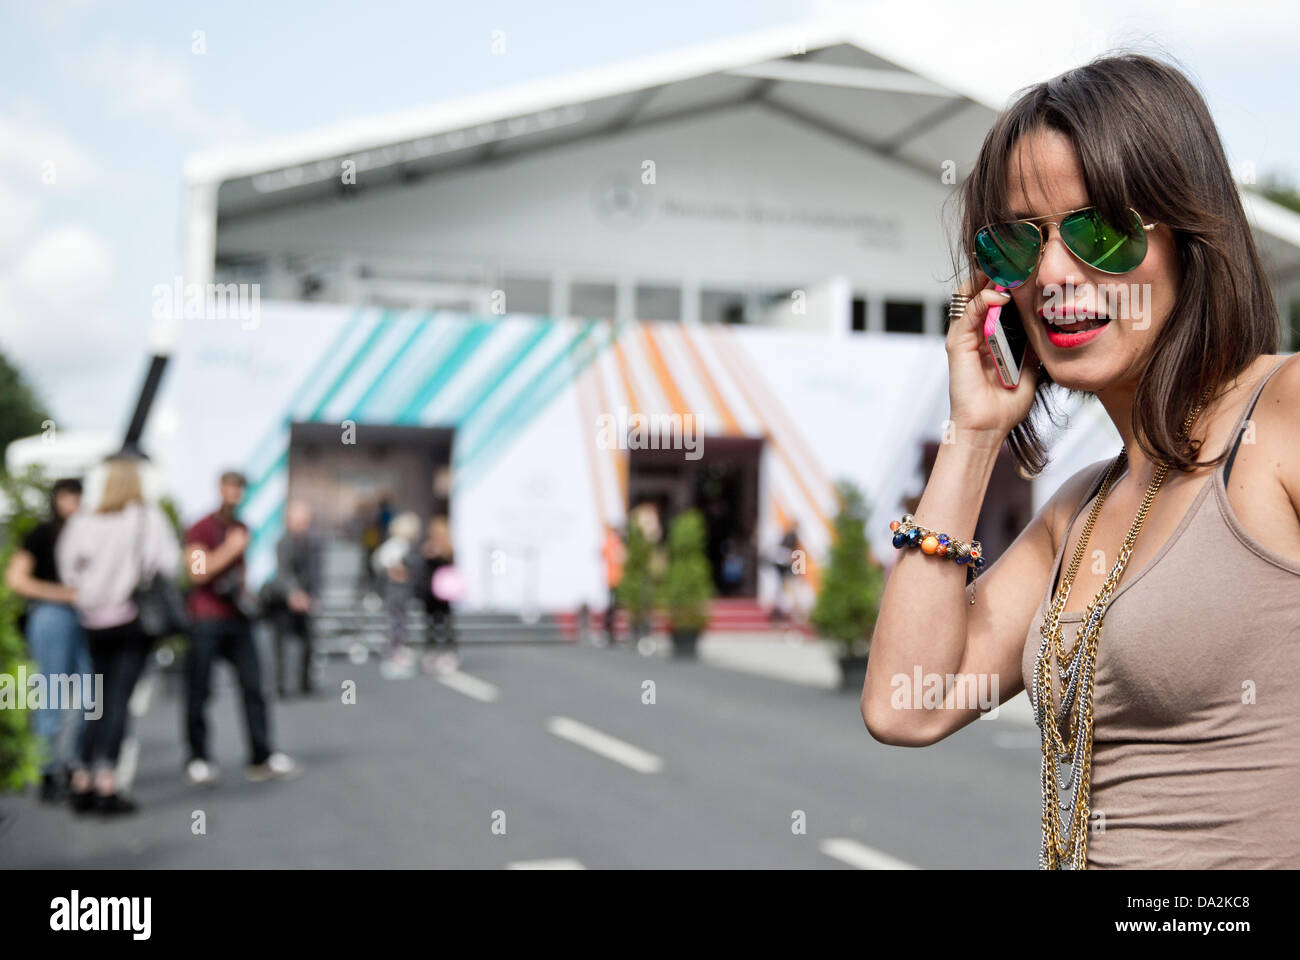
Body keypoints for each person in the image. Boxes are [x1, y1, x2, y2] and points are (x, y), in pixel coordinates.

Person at [861, 54, 1300, 869]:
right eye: (1016, 244)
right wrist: (973, 434)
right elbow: (903, 707)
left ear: (1188, 236)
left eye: (1101, 229)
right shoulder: (1080, 511)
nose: (1056, 274)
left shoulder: (1281, 413)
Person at [56, 459, 179, 814]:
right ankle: (106, 780)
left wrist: (91, 589)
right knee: (118, 700)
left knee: (94, 699)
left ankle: (81, 775)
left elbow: (68, 569)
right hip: (130, 619)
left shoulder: (85, 519)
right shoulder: (147, 517)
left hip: (92, 621)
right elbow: (169, 563)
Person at [183, 471, 299, 786]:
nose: (234, 494)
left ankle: (261, 756)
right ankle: (198, 758)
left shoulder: (242, 527)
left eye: (239, 489)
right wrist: (230, 551)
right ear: (220, 489)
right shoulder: (200, 527)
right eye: (230, 488)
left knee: (254, 686)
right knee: (199, 689)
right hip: (205, 618)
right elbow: (197, 572)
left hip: (237, 618)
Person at [5, 478, 90, 803]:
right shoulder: (42, 534)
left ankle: (74, 762)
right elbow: (17, 579)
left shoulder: (89, 532)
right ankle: (47, 768)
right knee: (51, 692)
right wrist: (61, 594)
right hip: (53, 613)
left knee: (88, 693)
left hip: (87, 614)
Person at [266, 500, 321, 697]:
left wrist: (312, 596)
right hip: (283, 599)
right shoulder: (283, 542)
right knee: (280, 643)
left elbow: (315, 572)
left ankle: (305, 683)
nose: (303, 526)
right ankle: (281, 686)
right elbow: (283, 572)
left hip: (305, 597)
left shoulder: (313, 542)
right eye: (299, 522)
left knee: (308, 642)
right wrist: (294, 594)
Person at [372, 511, 422, 678]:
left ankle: (396, 653)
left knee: (399, 623)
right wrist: (397, 572)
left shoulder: (399, 545)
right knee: (396, 624)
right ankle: (393, 654)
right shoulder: (398, 545)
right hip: (395, 592)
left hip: (399, 592)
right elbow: (385, 564)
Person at [419, 515, 458, 673]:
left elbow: (449, 565)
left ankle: (448, 654)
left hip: (443, 591)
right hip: (429, 592)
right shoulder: (428, 547)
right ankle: (432, 654)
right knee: (430, 625)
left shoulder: (448, 548)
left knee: (446, 624)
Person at [600, 524, 626, 645]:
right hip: (612, 578)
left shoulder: (617, 543)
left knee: (615, 606)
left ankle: (612, 632)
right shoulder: (612, 543)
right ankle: (608, 632)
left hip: (617, 578)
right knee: (611, 606)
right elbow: (610, 556)